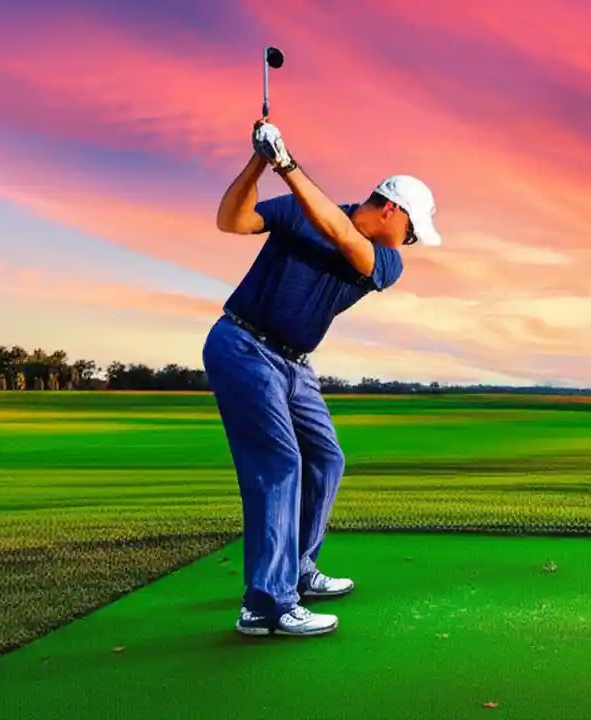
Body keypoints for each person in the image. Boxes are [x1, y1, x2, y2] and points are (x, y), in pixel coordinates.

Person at [204, 118, 441, 636]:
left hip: (296, 364)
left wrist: (288, 165)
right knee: (280, 463)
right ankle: (266, 604)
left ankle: (298, 570)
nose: (412, 241)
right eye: (413, 230)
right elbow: (231, 221)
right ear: (391, 209)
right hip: (243, 345)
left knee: (326, 459)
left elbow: (340, 233)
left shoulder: (385, 262)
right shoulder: (296, 210)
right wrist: (259, 164)